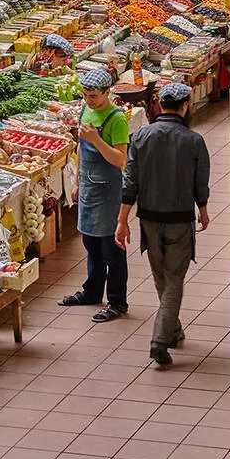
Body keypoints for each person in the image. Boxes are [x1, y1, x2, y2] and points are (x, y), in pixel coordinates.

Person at [117, 82, 211, 368]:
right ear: (184, 106)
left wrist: (122, 220)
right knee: (174, 281)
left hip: (148, 218)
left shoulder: (141, 136)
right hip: (179, 219)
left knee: (161, 276)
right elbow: (200, 182)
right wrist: (203, 210)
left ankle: (174, 328)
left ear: (159, 105)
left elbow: (130, 182)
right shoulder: (194, 141)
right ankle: (159, 340)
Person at [59, 69, 130, 323]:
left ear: (107, 92)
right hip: (88, 187)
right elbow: (81, 148)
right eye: (85, 95)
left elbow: (120, 160)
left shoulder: (117, 119)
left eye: (94, 96)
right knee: (91, 245)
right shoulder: (85, 109)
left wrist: (97, 140)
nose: (89, 100)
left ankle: (117, 301)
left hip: (108, 191)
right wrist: (77, 181)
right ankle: (91, 292)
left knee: (112, 248)